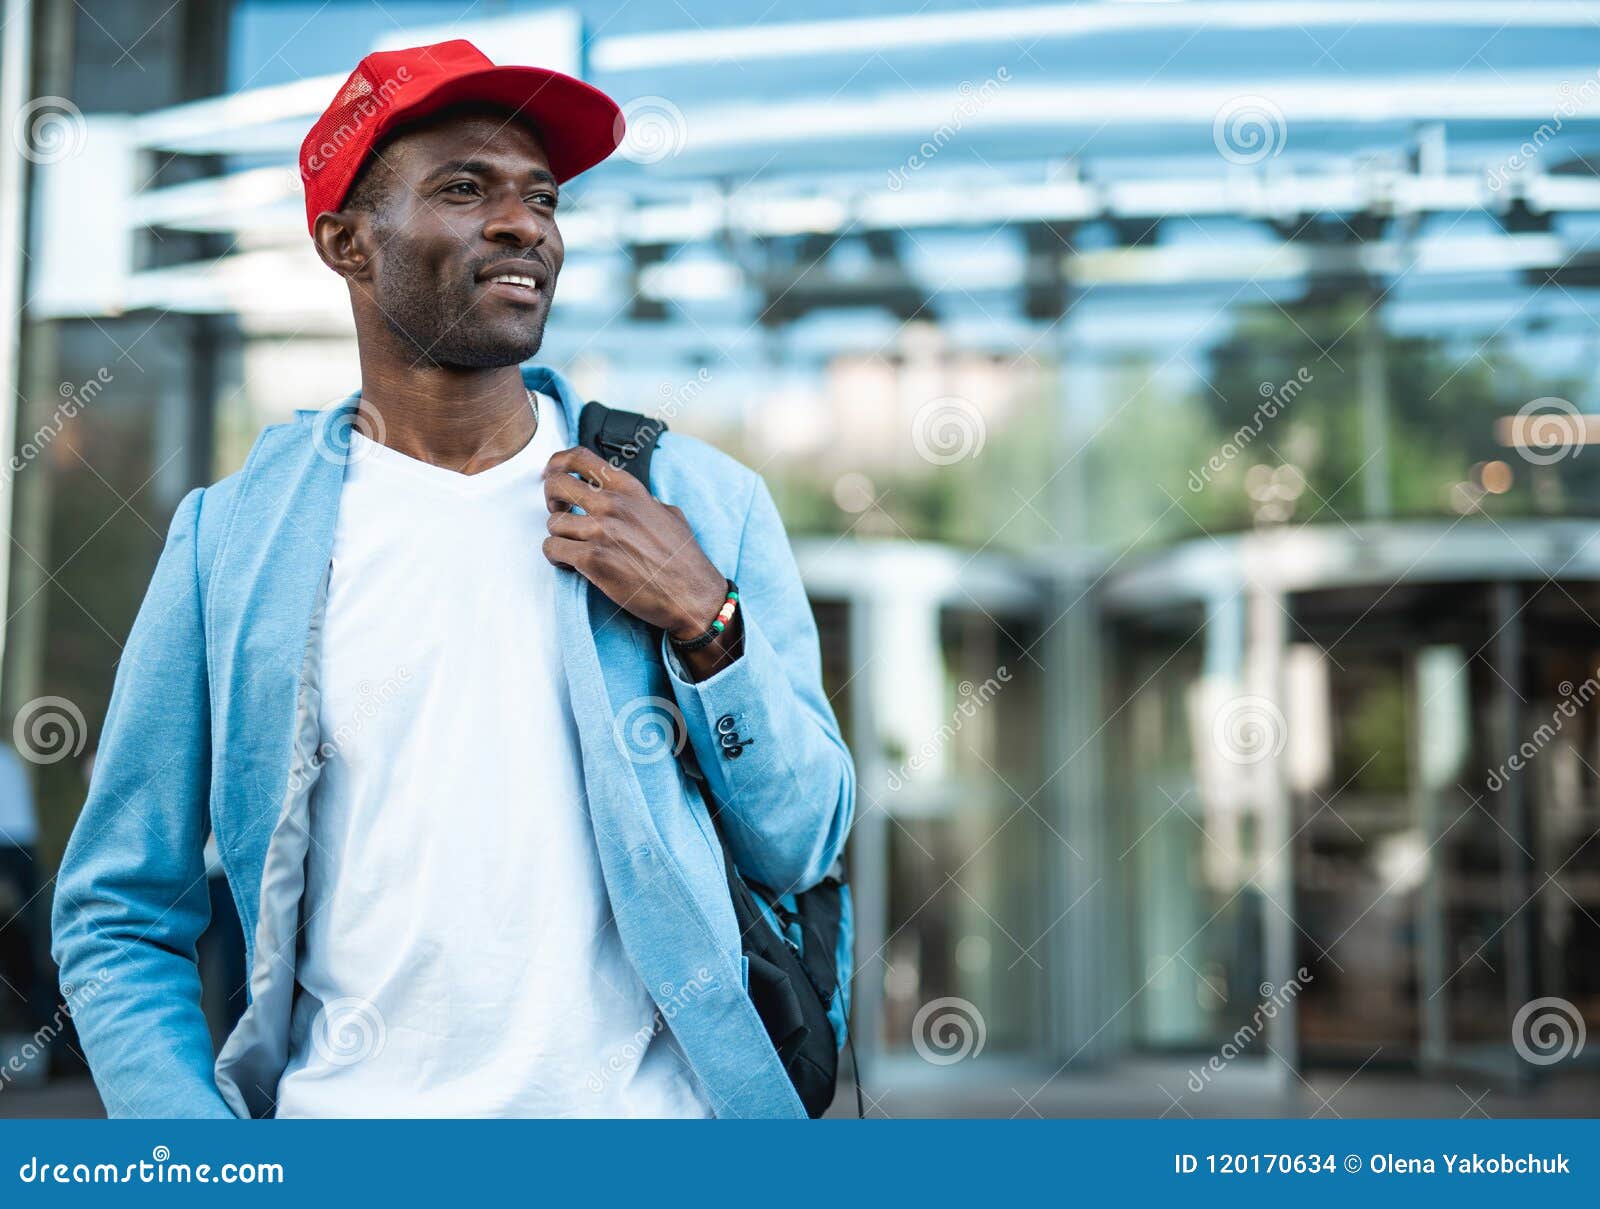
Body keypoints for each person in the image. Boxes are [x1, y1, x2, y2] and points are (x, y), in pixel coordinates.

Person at [50, 38, 854, 1119]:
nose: (524, 223)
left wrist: (709, 623)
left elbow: (801, 839)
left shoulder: (698, 504)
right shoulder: (229, 544)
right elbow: (120, 909)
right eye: (465, 188)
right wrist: (191, 1150)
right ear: (346, 242)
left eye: (542, 197)